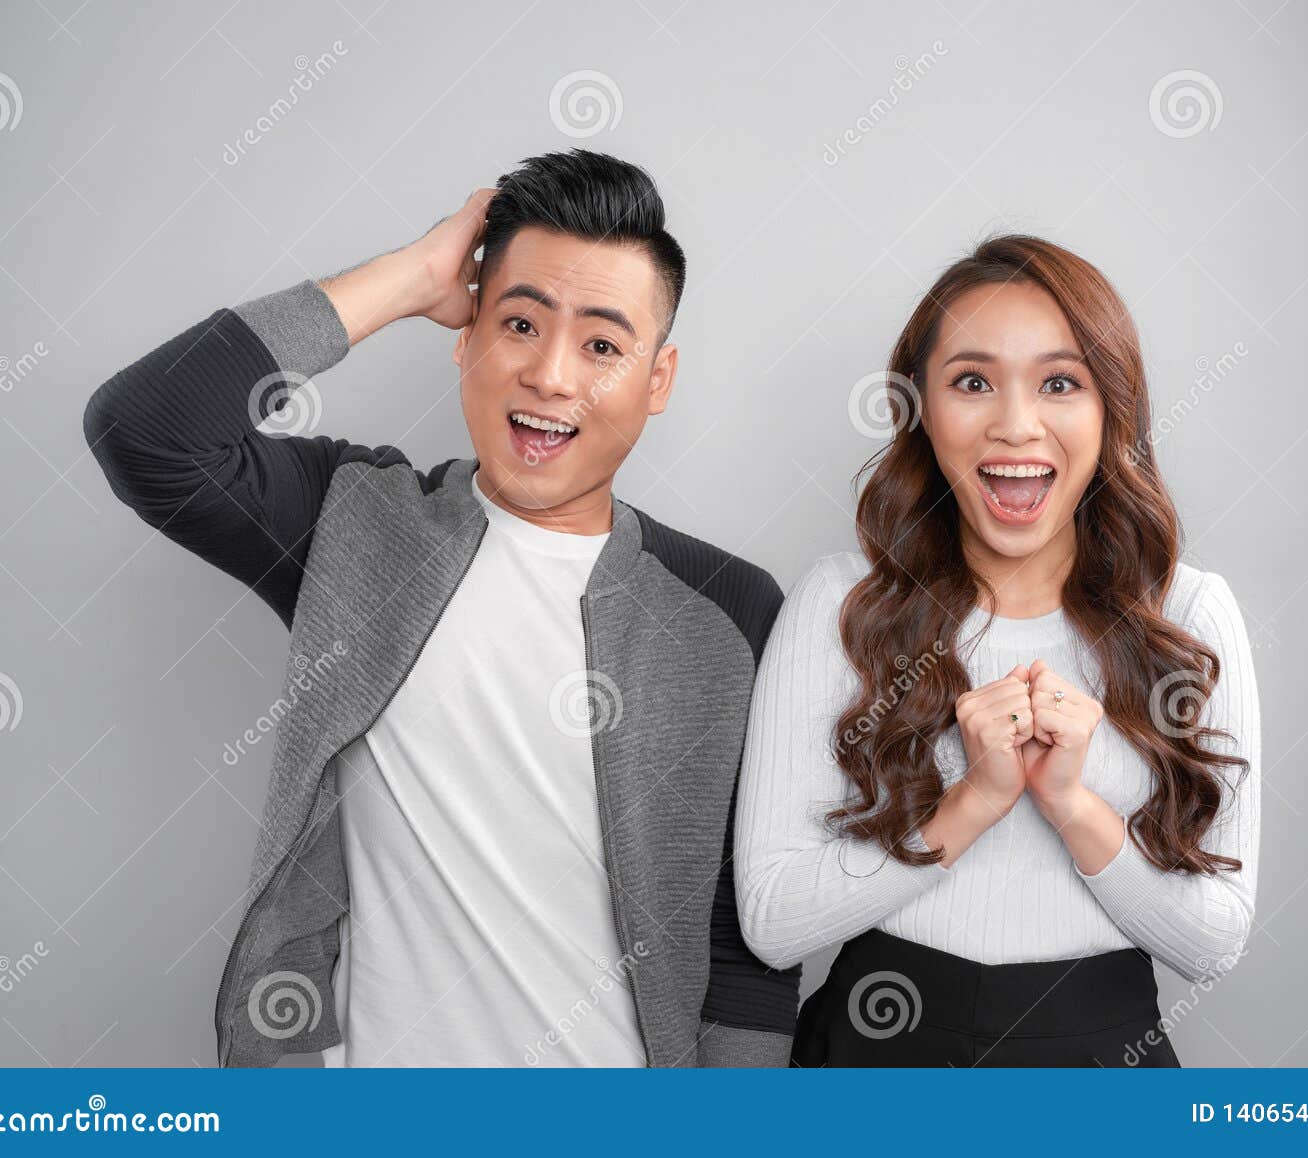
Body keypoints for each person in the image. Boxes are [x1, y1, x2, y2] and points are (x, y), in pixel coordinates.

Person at [82, 149, 799, 1067]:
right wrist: (412, 274)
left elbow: (740, 938)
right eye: (520, 322)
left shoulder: (725, 604)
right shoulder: (354, 525)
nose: (550, 374)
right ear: (464, 336)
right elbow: (144, 430)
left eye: (603, 345)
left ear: (657, 381)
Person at [734, 235, 1262, 1067]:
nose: (1016, 425)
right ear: (921, 411)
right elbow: (772, 922)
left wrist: (1071, 805)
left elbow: (1215, 940)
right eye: (972, 382)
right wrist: (972, 802)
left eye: (1060, 382)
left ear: (1111, 409)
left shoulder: (1186, 614)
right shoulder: (842, 603)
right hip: (879, 1052)